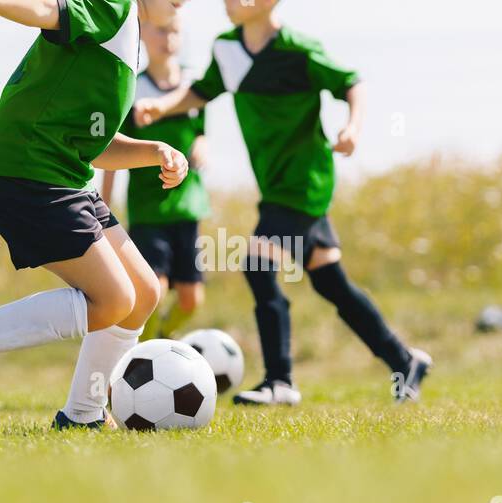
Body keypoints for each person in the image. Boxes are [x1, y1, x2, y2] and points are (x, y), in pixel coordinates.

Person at [135, 0, 431, 405]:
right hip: (275, 186)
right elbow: (202, 92)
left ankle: (280, 381)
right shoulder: (226, 48)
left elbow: (352, 83)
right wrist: (162, 106)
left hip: (305, 181)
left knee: (257, 264)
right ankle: (404, 360)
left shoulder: (298, 50)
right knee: (332, 284)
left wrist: (352, 128)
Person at [0, 0, 189, 431]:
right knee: (113, 299)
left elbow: (92, 142)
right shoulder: (113, 6)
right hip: (22, 170)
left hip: (61, 174)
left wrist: (154, 151)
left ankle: (83, 415)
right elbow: (46, 9)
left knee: (142, 293)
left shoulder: (126, 36)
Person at [101, 12, 210, 341]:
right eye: (161, 31)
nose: (169, 39)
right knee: (154, 290)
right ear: (143, 33)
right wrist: (103, 205)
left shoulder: (193, 86)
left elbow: (200, 129)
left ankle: (162, 340)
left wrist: (202, 144)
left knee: (192, 300)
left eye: (174, 31)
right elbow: (111, 150)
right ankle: (138, 353)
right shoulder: (133, 88)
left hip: (188, 207)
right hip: (149, 209)